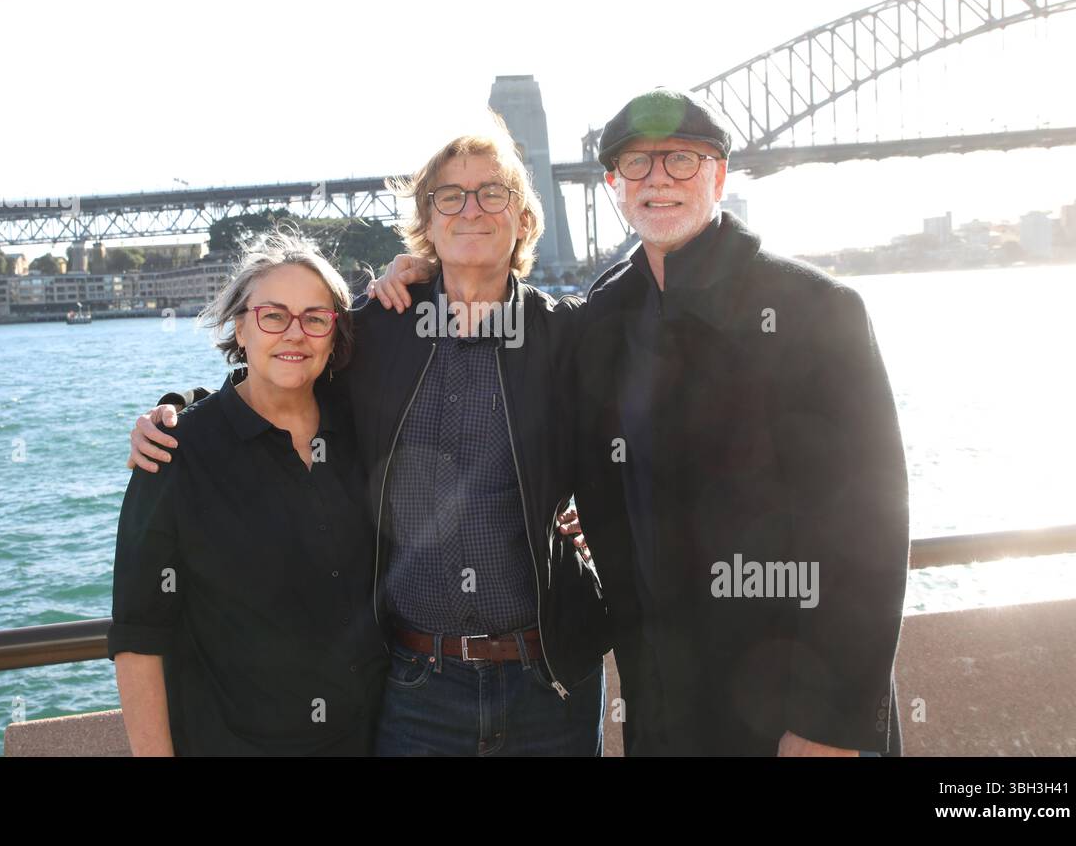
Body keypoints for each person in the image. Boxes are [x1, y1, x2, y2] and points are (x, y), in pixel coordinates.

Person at [369, 89, 911, 756]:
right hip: (664, 706)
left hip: (792, 710)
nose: (658, 180)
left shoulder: (814, 310)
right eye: (637, 165)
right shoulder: (602, 318)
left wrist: (828, 725)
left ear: (718, 175)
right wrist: (425, 269)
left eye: (681, 160)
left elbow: (873, 536)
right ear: (613, 186)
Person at [127, 122, 608, 756]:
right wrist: (178, 411)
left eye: (493, 193)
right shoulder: (375, 331)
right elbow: (280, 374)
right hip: (415, 688)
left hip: (551, 684)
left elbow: (644, 448)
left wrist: (596, 525)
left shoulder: (569, 337)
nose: (471, 209)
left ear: (522, 218)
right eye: (450, 196)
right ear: (426, 225)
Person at [109, 233, 388, 755]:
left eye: (315, 318)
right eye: (273, 316)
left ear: (333, 335)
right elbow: (138, 636)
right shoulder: (175, 453)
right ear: (240, 325)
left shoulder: (363, 430)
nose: (295, 333)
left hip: (371, 739)